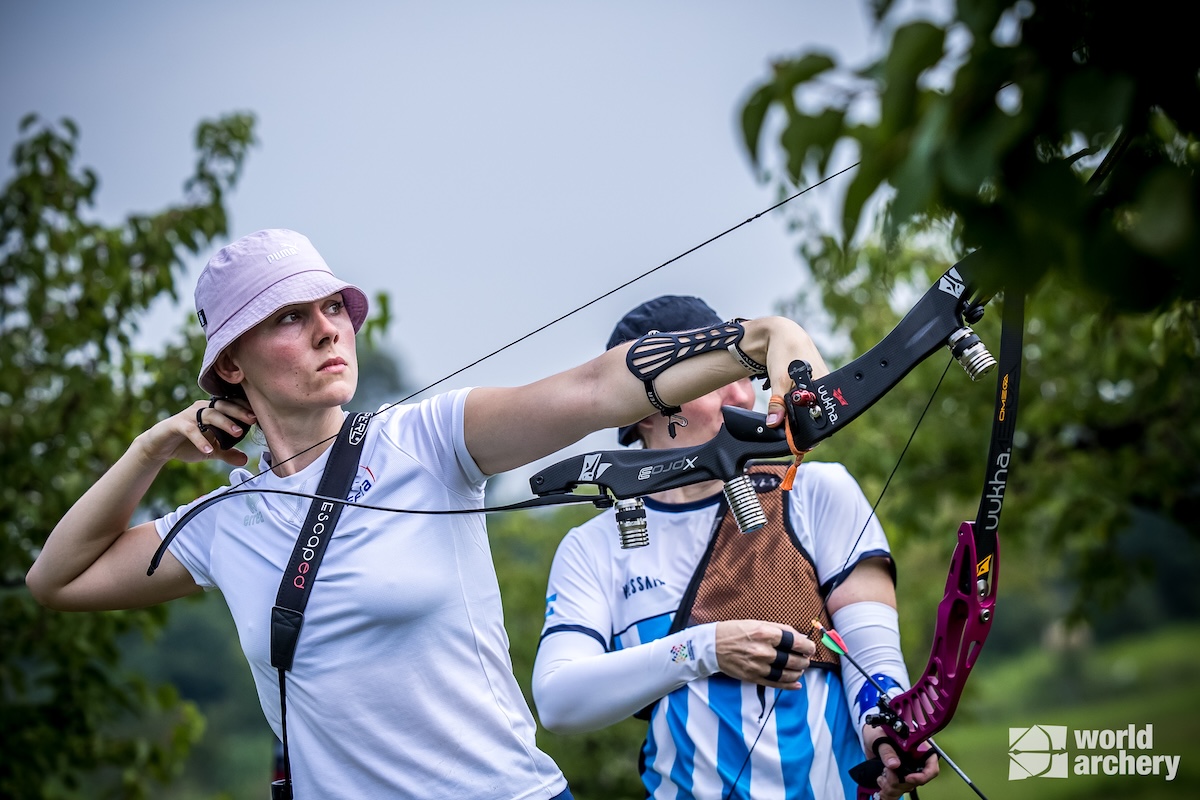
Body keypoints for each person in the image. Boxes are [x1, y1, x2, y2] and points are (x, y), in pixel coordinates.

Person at [25, 230, 826, 800]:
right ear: (230, 363)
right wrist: (150, 452)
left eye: (331, 308)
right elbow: (55, 580)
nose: (327, 329)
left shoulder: (426, 438)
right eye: (289, 318)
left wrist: (761, 338)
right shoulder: (226, 521)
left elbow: (593, 389)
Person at [532, 296, 940, 800]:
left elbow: (874, 663)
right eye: (711, 380)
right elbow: (558, 701)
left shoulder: (816, 491)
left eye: (746, 374)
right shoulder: (593, 547)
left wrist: (890, 733)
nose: (743, 396)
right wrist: (704, 650)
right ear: (641, 411)